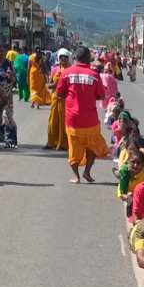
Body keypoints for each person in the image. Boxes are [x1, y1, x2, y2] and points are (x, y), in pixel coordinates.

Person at [56, 44, 109, 184]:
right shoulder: (94, 75)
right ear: (88, 58)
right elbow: (101, 96)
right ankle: (87, 172)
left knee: (73, 149)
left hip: (72, 120)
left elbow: (59, 93)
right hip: (91, 120)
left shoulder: (66, 73)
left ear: (75, 57)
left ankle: (76, 176)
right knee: (91, 147)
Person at [45, 48, 69, 150]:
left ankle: (63, 143)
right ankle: (51, 142)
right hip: (55, 98)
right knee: (52, 120)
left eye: (65, 57)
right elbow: (49, 84)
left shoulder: (70, 70)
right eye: (61, 57)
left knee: (63, 121)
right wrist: (53, 85)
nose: (63, 59)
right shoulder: (55, 69)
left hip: (65, 99)